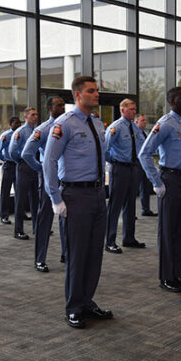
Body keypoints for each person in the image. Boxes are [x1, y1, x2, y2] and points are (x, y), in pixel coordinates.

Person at [43, 76, 112, 329]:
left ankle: (86, 301)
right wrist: (55, 198)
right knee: (77, 254)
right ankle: (73, 306)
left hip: (96, 194)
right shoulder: (65, 124)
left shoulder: (96, 123)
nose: (97, 95)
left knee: (94, 253)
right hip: (75, 196)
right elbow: (48, 161)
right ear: (77, 95)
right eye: (91, 91)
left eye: (97, 91)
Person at [139, 87, 181, 293]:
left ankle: (178, 274)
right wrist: (156, 182)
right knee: (167, 230)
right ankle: (166, 277)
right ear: (172, 102)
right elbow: (144, 153)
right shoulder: (165, 124)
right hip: (170, 180)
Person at [22, 96, 67, 272]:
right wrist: (41, 169)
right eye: (58, 105)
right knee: (45, 220)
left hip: (66, 180)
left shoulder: (68, 125)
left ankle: (66, 253)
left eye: (63, 105)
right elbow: (27, 153)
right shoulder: (44, 129)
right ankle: (40, 259)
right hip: (50, 181)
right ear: (50, 108)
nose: (62, 108)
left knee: (66, 219)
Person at [104, 98, 146, 253]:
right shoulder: (116, 127)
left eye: (135, 109)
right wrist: (114, 162)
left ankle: (129, 237)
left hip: (133, 168)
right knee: (115, 204)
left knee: (131, 203)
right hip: (120, 169)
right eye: (131, 109)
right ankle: (110, 240)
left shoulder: (135, 128)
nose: (133, 112)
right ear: (122, 110)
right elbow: (105, 150)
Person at [8, 108, 40, 240]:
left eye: (36, 114)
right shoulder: (20, 132)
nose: (35, 117)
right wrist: (21, 162)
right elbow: (12, 151)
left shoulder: (38, 131)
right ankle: (18, 230)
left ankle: (37, 227)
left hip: (35, 166)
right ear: (25, 117)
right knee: (21, 199)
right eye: (32, 115)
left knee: (35, 198)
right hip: (24, 166)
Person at [0, 115, 21, 224]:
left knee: (19, 191)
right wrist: (4, 159)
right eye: (16, 123)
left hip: (19, 165)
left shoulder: (22, 134)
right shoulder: (5, 136)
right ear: (11, 125)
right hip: (9, 165)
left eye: (19, 123)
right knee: (6, 191)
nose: (18, 125)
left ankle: (20, 213)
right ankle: (4, 215)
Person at [135, 113, 157, 217]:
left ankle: (146, 209)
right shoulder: (134, 133)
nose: (145, 122)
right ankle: (130, 212)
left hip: (145, 163)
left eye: (145, 120)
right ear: (136, 122)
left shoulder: (145, 133)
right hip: (136, 163)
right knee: (133, 189)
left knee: (145, 186)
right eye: (142, 120)